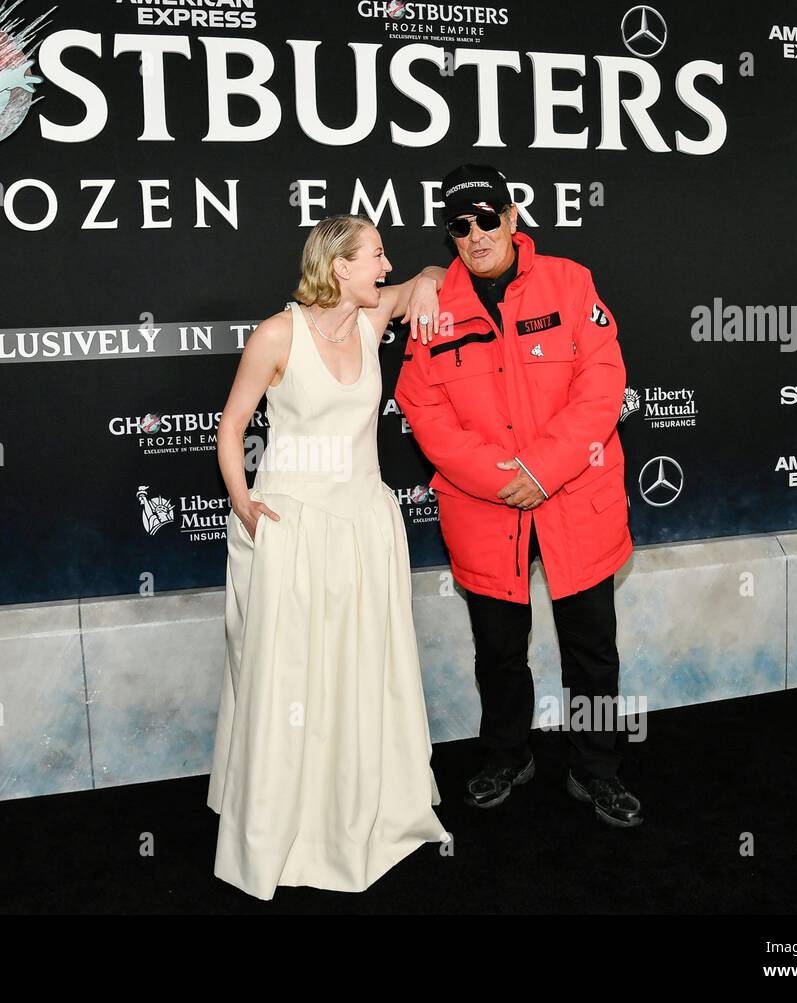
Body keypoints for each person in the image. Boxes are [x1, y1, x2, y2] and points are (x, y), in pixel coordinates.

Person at [207, 214, 450, 899]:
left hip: (363, 524)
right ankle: (284, 824)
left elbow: (425, 280)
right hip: (294, 526)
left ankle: (358, 810)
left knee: (362, 672)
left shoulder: (371, 325)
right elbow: (229, 430)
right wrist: (244, 503)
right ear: (340, 266)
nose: (386, 264)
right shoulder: (277, 335)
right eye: (376, 255)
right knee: (290, 682)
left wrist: (426, 284)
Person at [395, 164, 643, 828]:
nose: (474, 234)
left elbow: (604, 381)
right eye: (459, 225)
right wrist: (498, 477)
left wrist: (543, 467)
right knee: (498, 650)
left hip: (574, 498)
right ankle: (507, 753)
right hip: (485, 509)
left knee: (591, 649)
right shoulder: (433, 306)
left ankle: (597, 769)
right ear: (451, 234)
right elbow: (420, 405)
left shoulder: (570, 280)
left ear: (511, 216)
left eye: (485, 218)